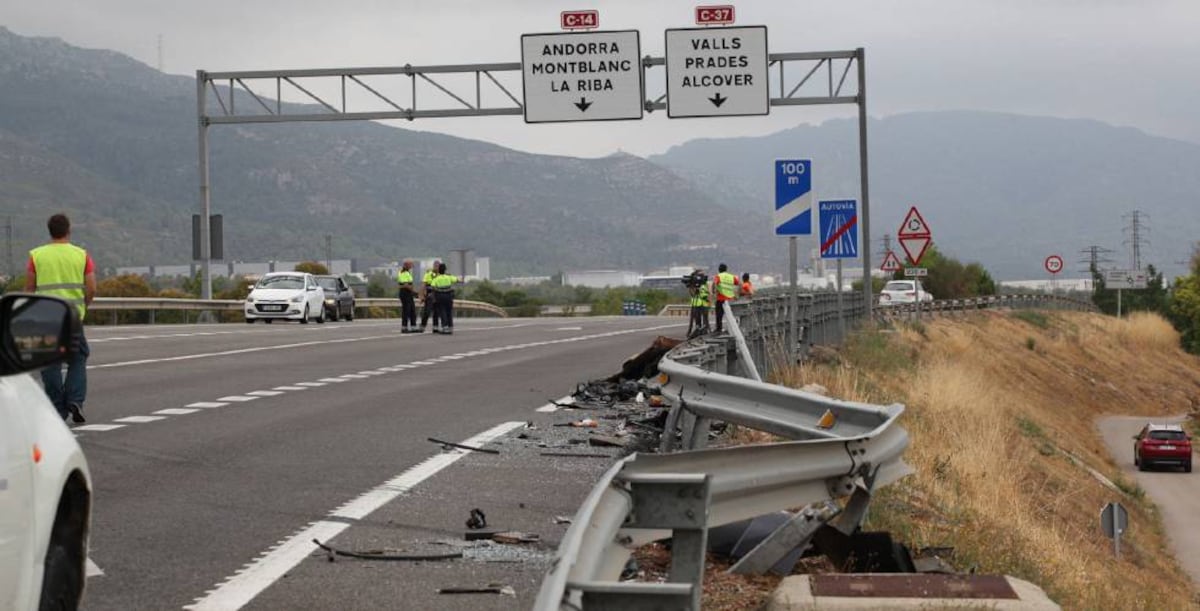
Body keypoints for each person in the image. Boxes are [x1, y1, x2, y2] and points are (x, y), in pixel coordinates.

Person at [26, 213, 95, 423]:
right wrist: (84, 306)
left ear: (50, 231)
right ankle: (75, 400)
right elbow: (91, 287)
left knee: (49, 363)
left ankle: (57, 408)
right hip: (72, 317)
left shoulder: (36, 256)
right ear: (68, 230)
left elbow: (29, 289)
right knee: (78, 357)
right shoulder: (82, 255)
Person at [429, 262, 460, 334]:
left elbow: (432, 287)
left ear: (439, 270)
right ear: (445, 270)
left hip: (440, 296)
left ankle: (445, 327)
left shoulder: (436, 278)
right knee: (449, 311)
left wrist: (434, 297)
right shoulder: (449, 277)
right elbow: (457, 280)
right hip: (449, 296)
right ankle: (450, 327)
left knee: (442, 311)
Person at [711, 263, 737, 333]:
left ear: (719, 269)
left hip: (721, 298)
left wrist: (714, 292)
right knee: (731, 315)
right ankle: (734, 329)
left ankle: (719, 329)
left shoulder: (718, 276)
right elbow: (739, 284)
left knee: (719, 315)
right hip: (730, 299)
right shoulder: (731, 276)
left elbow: (714, 284)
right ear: (726, 269)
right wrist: (736, 295)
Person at [417, 259, 441, 333]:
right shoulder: (428, 274)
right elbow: (423, 285)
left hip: (438, 294)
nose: (436, 267)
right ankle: (422, 326)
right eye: (435, 266)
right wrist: (421, 296)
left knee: (436, 312)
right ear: (433, 266)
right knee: (427, 311)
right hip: (430, 294)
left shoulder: (441, 275)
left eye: (438, 266)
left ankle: (435, 328)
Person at [686, 270, 710, 338]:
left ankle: (706, 332)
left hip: (704, 304)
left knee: (705, 321)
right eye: (700, 275)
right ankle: (697, 333)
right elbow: (692, 293)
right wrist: (694, 288)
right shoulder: (692, 284)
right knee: (697, 321)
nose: (702, 276)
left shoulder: (705, 283)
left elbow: (708, 292)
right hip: (696, 304)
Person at [397, 260, 417, 333]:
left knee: (412, 310)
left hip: (409, 293)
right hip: (405, 293)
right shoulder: (403, 273)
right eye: (410, 265)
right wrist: (412, 290)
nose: (411, 266)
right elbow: (405, 285)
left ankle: (413, 326)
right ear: (406, 265)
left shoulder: (408, 273)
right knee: (406, 310)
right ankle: (404, 327)